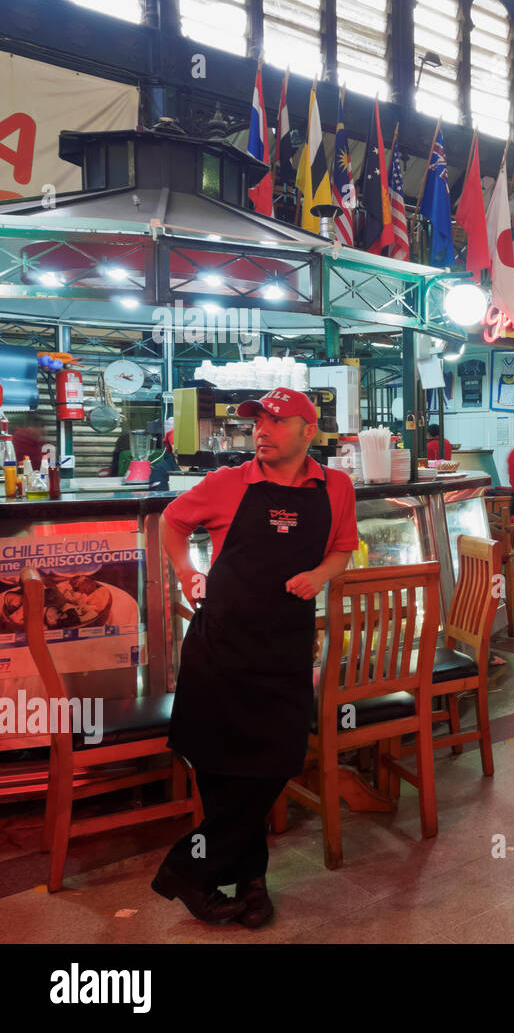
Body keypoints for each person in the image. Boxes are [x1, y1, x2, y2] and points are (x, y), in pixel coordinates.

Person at [152, 387, 358, 928]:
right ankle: (252, 883)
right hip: (221, 648)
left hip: (285, 648)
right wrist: (186, 572)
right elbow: (171, 521)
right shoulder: (228, 482)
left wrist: (320, 575)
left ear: (307, 431)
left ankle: (185, 870)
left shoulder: (336, 487)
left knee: (279, 760)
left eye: (275, 420)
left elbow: (343, 548)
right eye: (257, 421)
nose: (260, 430)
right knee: (222, 774)